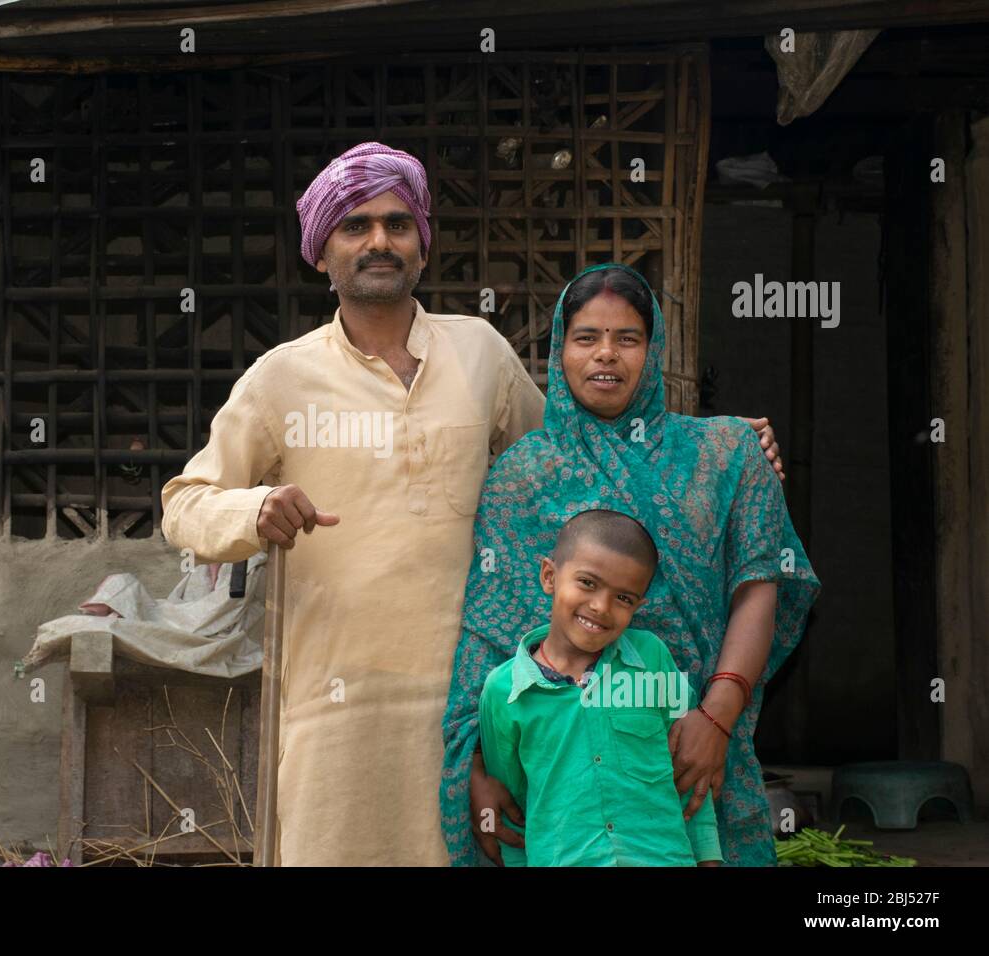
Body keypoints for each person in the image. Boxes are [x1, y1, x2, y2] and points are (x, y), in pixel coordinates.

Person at [163, 140, 785, 865]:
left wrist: (717, 442)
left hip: (476, 704)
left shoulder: (479, 354)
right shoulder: (282, 379)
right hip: (335, 705)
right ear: (322, 252)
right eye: (355, 226)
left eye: (398, 224)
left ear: (422, 247)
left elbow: (573, 460)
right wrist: (255, 510)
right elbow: (185, 502)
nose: (379, 241)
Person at [442, 262, 820, 868]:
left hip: (694, 742)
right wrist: (480, 765)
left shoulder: (723, 454)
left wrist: (715, 720)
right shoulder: (521, 475)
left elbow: (759, 587)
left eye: (628, 339)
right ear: (559, 350)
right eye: (586, 337)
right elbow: (490, 635)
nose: (606, 356)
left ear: (655, 348)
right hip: (561, 763)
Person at [477, 508, 723, 867]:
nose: (600, 607)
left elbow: (691, 771)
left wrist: (709, 859)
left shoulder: (652, 659)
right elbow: (511, 802)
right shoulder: (503, 690)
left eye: (623, 598)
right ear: (549, 576)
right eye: (587, 583)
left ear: (638, 605)